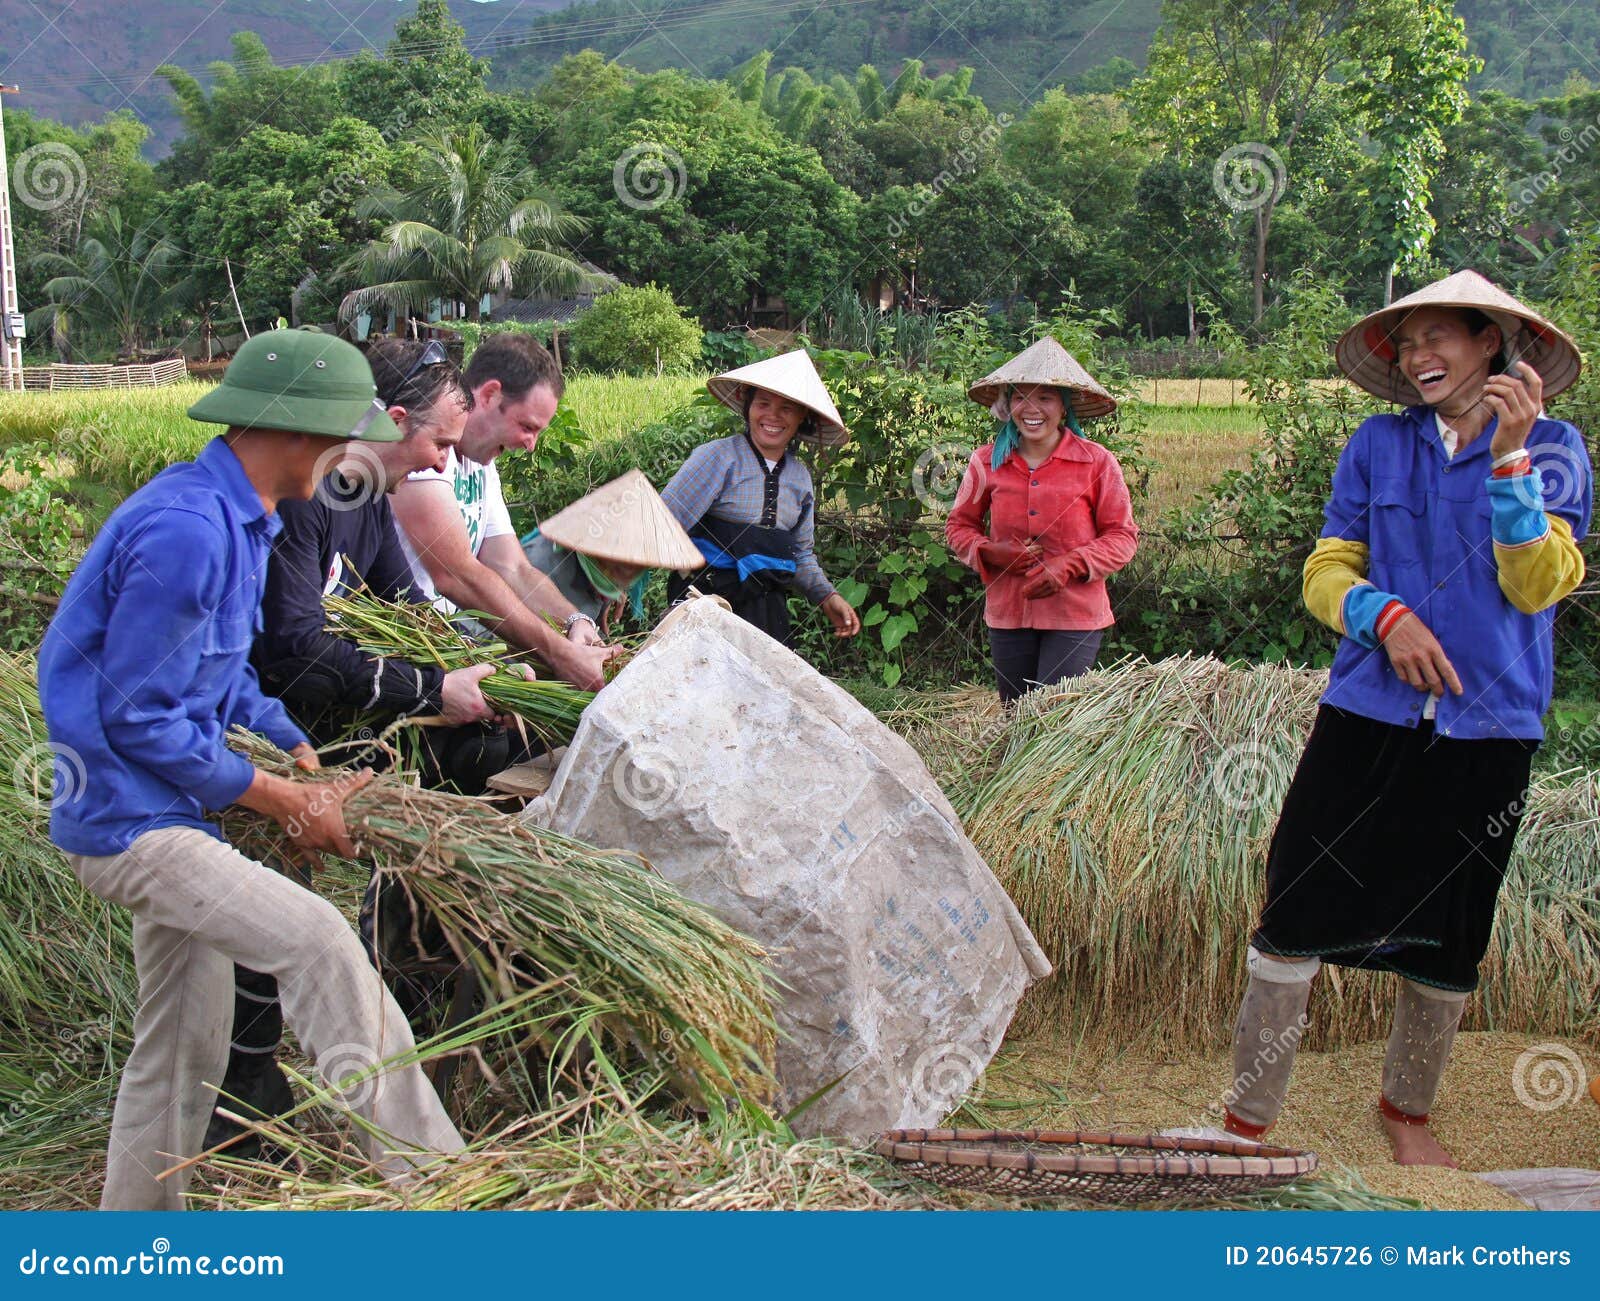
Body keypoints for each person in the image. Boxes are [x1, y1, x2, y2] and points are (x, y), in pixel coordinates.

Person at [38, 330, 464, 1210]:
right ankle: (445, 1189)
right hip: (131, 819)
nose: (352, 458)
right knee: (320, 943)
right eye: (343, 437)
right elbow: (139, 715)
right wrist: (283, 798)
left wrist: (285, 738)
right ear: (299, 431)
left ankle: (133, 1237)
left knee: (183, 1041)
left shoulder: (244, 521)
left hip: (171, 810)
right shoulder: (189, 531)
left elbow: (221, 673)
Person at [1222, 269, 1591, 1166]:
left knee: (1452, 923)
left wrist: (1510, 459)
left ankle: (1407, 1110)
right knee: (1297, 897)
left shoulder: (1556, 448)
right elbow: (1327, 570)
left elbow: (1537, 585)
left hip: (1487, 727)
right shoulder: (1378, 445)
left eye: (1439, 337)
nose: (1419, 355)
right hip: (1367, 711)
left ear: (1491, 344)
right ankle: (1246, 1118)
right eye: (1408, 341)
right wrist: (1382, 615)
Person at [206, 338, 530, 1156]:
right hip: (264, 734)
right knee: (265, 905)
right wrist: (430, 690)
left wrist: (483, 675)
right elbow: (295, 649)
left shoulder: (368, 498)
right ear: (391, 422)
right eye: (439, 444)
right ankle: (243, 1093)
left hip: (325, 724)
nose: (444, 462)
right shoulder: (300, 498)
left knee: (483, 759)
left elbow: (404, 607)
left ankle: (409, 986)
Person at [392, 334, 614, 690]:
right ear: (489, 395)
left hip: (448, 637)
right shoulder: (426, 452)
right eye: (527, 427)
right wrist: (558, 654)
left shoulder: (481, 463)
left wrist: (575, 621)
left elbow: (512, 567)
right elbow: (457, 575)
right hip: (406, 640)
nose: (531, 445)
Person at [946, 337, 1139, 702]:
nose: (1031, 408)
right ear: (1008, 405)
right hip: (1009, 611)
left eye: (1046, 398)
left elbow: (1122, 536)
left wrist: (1070, 564)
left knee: (1052, 715)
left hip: (1075, 615)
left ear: (1064, 406)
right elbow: (958, 526)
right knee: (1017, 715)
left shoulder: (1096, 462)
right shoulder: (985, 461)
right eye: (1020, 397)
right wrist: (989, 552)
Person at [660, 349, 861, 646]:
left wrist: (827, 596)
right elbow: (661, 524)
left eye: (787, 409)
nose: (773, 416)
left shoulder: (800, 479)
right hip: (703, 602)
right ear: (748, 406)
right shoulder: (718, 458)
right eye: (763, 403)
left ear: (802, 417)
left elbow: (800, 554)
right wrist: (614, 583)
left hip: (765, 613)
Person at [521, 468, 705, 637]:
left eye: (637, 562)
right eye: (622, 562)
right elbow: (510, 632)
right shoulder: (539, 565)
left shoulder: (605, 579)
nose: (630, 571)